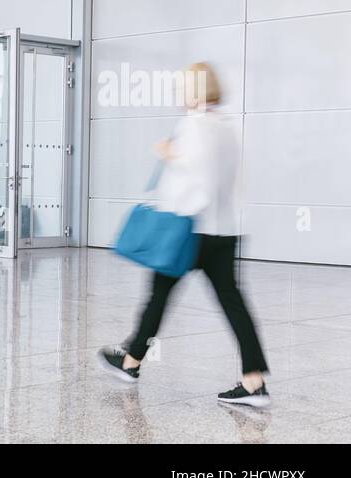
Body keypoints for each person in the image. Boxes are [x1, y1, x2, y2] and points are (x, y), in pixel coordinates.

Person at [98, 63, 271, 408]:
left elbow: (194, 179)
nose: (179, 95)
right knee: (232, 302)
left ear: (195, 91)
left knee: (159, 294)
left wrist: (169, 155)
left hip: (191, 230)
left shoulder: (193, 125)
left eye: (182, 88)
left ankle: (131, 363)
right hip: (223, 229)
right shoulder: (227, 126)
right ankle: (254, 381)